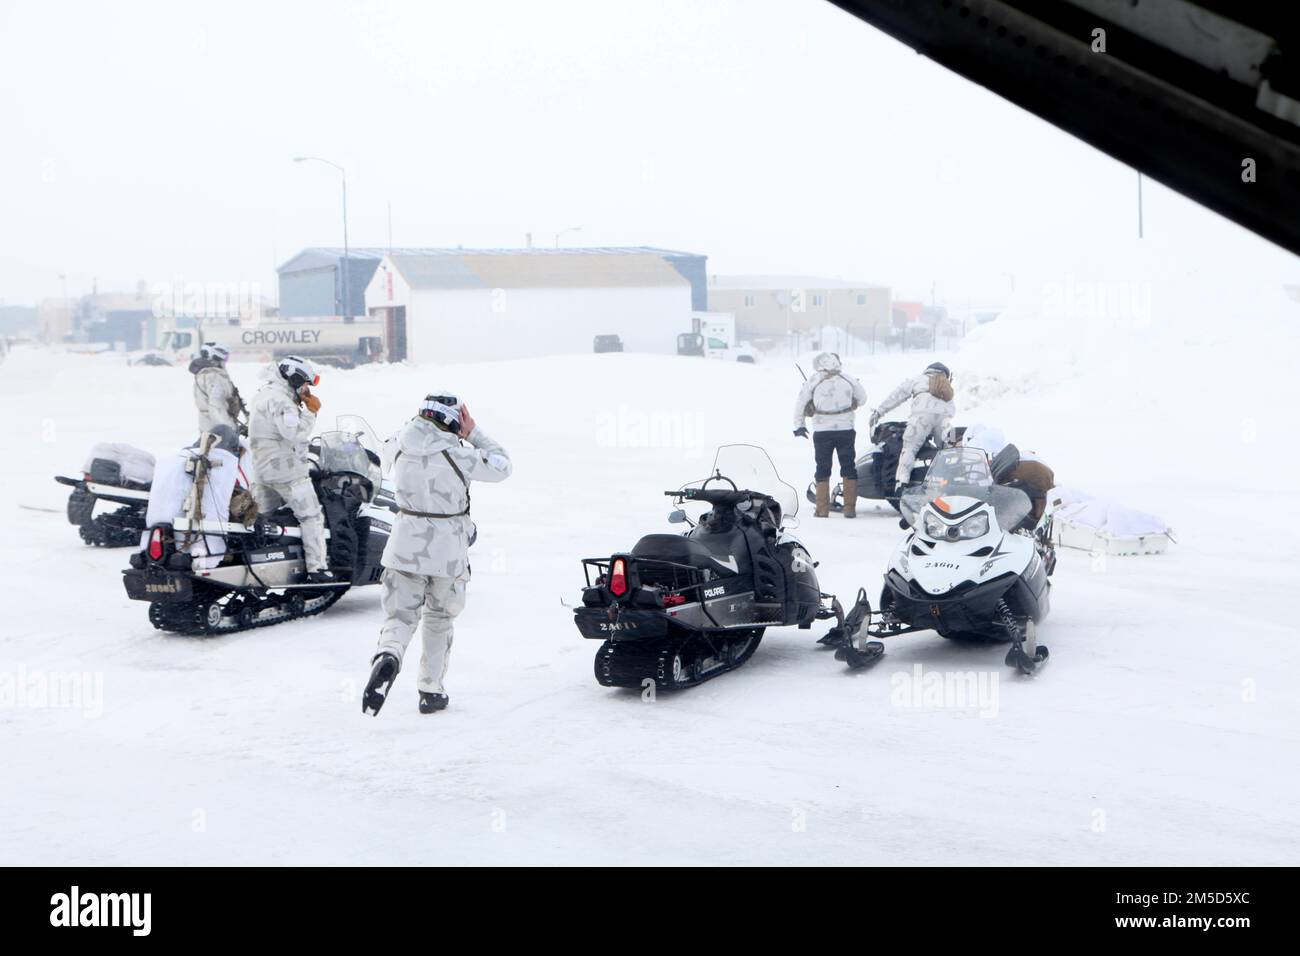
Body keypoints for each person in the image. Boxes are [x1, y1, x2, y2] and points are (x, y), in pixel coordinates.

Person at [362, 394, 512, 717]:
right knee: (439, 618)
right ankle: (430, 690)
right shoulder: (460, 454)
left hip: (403, 547)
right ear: (452, 421)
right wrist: (473, 434)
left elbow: (382, 448)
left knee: (400, 617)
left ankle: (388, 655)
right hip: (447, 552)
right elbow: (503, 465)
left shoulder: (400, 445)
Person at [247, 355, 333, 584]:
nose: (306, 389)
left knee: (267, 519)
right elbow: (294, 434)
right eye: (304, 383)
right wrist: (311, 412)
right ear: (294, 378)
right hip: (286, 471)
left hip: (261, 470)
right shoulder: (281, 401)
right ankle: (317, 569)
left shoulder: (264, 394)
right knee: (311, 516)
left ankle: (266, 564)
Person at [792, 352, 868, 518]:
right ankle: (849, 508)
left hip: (822, 431)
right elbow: (863, 399)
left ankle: (821, 509)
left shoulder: (814, 379)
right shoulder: (848, 379)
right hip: (846, 430)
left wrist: (799, 426)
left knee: (822, 467)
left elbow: (800, 403)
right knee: (848, 466)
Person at [869, 362, 956, 495]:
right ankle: (951, 482)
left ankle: (901, 484)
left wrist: (879, 411)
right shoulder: (946, 385)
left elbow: (897, 396)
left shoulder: (918, 380)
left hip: (921, 418)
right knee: (947, 451)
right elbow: (952, 408)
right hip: (944, 419)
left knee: (910, 448)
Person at [190, 341, 245, 437]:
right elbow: (216, 407)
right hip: (219, 434)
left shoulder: (205, 374)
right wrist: (231, 429)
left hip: (209, 430)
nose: (226, 360)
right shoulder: (214, 377)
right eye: (226, 356)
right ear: (217, 355)